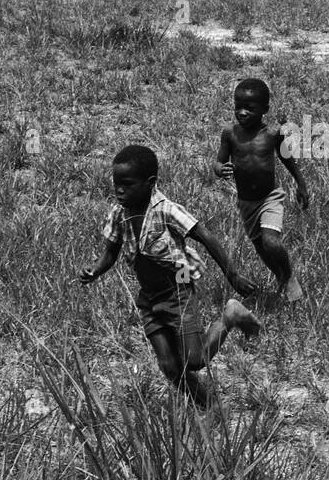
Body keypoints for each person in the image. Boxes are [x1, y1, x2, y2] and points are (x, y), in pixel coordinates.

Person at [78, 144, 260, 408]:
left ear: (150, 183)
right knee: (169, 366)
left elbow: (205, 236)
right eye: (116, 183)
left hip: (179, 289)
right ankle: (209, 407)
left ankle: (230, 315)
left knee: (195, 360)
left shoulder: (166, 210)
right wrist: (94, 269)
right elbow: (110, 253)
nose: (119, 190)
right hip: (149, 299)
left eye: (127, 184)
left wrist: (232, 275)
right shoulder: (119, 214)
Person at [213, 79, 309, 303]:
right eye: (238, 107)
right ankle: (281, 278)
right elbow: (218, 162)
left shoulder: (273, 134)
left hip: (270, 198)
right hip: (246, 203)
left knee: (271, 242)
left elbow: (287, 159)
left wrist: (301, 183)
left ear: (265, 110)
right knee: (262, 249)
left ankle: (288, 276)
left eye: (250, 109)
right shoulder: (230, 133)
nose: (243, 113)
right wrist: (220, 169)